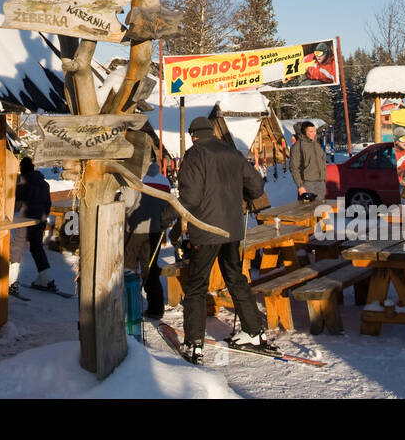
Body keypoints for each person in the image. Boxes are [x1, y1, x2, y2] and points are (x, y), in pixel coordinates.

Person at [176, 115, 271, 363]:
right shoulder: (232, 153)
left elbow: (190, 199)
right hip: (232, 229)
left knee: (197, 286)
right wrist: (246, 195)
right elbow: (257, 187)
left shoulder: (194, 155)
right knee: (235, 278)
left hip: (205, 230)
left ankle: (194, 344)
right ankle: (253, 332)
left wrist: (168, 219)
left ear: (193, 135)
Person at [123, 161, 177, 318]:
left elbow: (128, 202)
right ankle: (156, 307)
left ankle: (129, 305)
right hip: (155, 230)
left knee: (129, 267)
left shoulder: (137, 180)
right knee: (150, 268)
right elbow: (170, 204)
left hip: (135, 229)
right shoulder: (165, 181)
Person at [13, 157, 55, 291]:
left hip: (27, 219)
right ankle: (45, 278)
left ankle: (10, 281)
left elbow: (15, 196)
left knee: (16, 247)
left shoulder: (25, 182)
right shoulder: (44, 183)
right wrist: (43, 216)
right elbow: (48, 203)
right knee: (37, 248)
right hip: (40, 219)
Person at [289, 121, 327, 201]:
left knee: (320, 210)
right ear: (304, 132)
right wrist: (300, 186)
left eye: (314, 131)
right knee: (307, 211)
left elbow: (322, 161)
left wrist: (323, 179)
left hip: (320, 183)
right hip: (307, 184)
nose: (314, 133)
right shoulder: (297, 147)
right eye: (311, 131)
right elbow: (294, 168)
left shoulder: (316, 144)